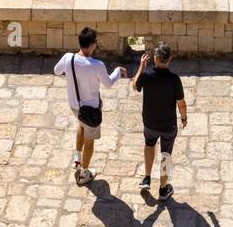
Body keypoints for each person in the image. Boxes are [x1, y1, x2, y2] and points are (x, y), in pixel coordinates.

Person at [54, 28, 126, 185]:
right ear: (93, 44)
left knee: (81, 126)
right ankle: (83, 174)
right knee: (90, 142)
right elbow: (107, 83)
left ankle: (77, 159)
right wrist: (118, 71)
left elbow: (56, 71)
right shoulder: (97, 65)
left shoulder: (68, 58)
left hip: (75, 106)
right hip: (91, 110)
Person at [132, 43, 187, 200]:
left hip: (150, 122)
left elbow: (135, 85)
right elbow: (181, 103)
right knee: (166, 154)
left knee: (149, 145)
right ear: (169, 59)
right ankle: (163, 189)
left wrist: (141, 67)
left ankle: (147, 177)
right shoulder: (174, 80)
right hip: (168, 125)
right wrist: (184, 118)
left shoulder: (147, 75)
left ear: (155, 59)